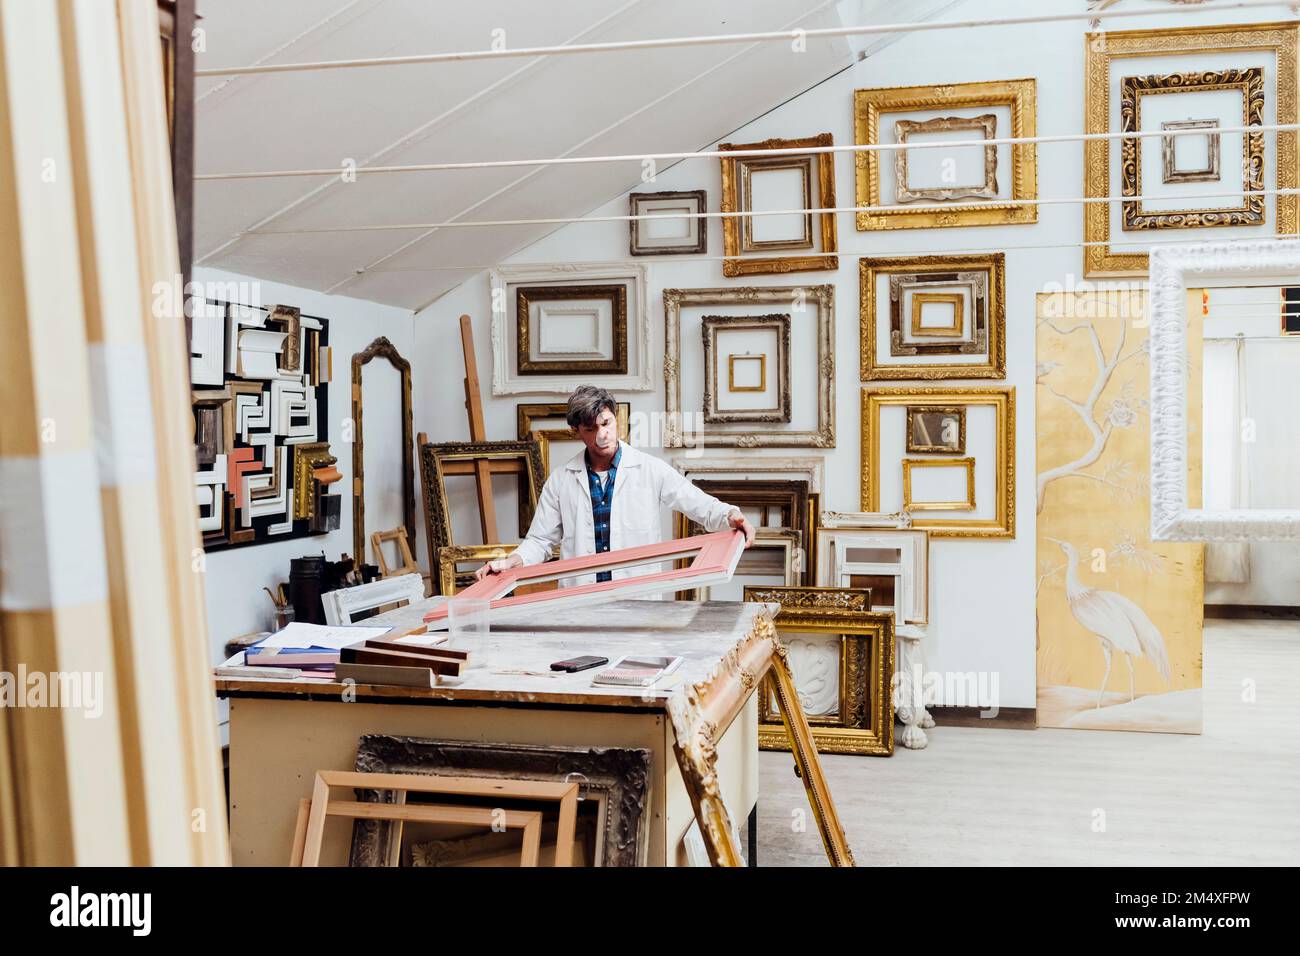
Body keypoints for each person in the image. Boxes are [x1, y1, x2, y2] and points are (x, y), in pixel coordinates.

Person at [475, 385, 755, 587]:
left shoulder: (649, 468)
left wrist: (730, 515)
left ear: (615, 417)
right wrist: (511, 562)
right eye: (591, 429)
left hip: (638, 597)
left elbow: (699, 505)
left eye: (606, 423)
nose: (602, 435)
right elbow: (539, 541)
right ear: (577, 432)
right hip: (580, 602)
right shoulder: (561, 480)